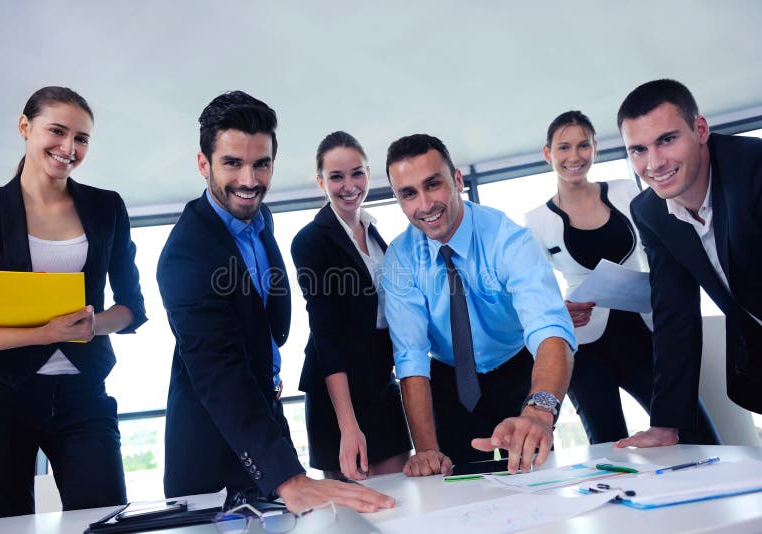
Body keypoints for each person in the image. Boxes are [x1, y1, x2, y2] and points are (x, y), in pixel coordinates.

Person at [156, 91, 394, 513]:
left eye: (261, 164)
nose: (249, 181)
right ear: (203, 164)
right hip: (212, 447)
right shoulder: (185, 255)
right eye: (232, 163)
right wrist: (287, 477)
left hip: (267, 419)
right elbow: (218, 370)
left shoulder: (259, 218)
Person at [0, 86, 147, 519]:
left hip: (83, 395)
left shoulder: (106, 207)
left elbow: (131, 307)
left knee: (103, 519)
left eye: (81, 138)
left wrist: (93, 325)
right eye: (57, 131)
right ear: (25, 127)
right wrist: (44, 333)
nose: (69, 148)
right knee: (2, 527)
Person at [381, 133, 576, 475]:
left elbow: (549, 327)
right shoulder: (400, 257)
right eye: (408, 194)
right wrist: (426, 450)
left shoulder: (508, 238)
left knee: (534, 477)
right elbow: (410, 355)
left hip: (517, 369)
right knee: (458, 486)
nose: (425, 205)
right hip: (449, 381)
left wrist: (540, 411)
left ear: (458, 180)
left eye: (433, 184)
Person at [524, 111, 718, 445]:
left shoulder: (626, 191)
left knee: (694, 431)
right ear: (548, 153)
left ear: (595, 148)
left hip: (643, 331)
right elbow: (534, 291)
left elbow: (662, 246)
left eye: (583, 145)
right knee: (606, 441)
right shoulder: (536, 220)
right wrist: (559, 309)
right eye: (564, 147)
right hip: (584, 343)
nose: (574, 156)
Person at [616, 79, 762, 448]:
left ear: (700, 129)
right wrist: (666, 424)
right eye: (638, 149)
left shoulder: (755, 168)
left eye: (667, 140)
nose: (654, 163)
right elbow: (674, 312)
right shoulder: (650, 212)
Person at [291, 131, 411, 482]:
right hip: (338, 394)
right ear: (321, 182)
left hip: (380, 381)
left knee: (403, 496)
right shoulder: (311, 241)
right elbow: (326, 335)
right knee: (353, 505)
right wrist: (348, 426)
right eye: (336, 177)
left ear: (368, 174)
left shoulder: (375, 234)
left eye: (357, 173)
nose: (349, 185)